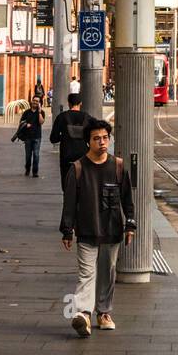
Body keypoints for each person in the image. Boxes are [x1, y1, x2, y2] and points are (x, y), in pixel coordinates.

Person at [60, 119, 135, 337]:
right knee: (86, 273)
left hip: (112, 230)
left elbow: (127, 200)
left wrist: (130, 225)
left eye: (105, 138)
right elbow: (69, 204)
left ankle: (103, 313)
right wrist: (67, 230)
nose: (102, 142)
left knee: (108, 273)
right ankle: (83, 313)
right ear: (88, 142)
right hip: (86, 230)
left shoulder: (118, 166)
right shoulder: (77, 168)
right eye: (96, 139)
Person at [50, 93, 92, 190]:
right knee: (83, 183)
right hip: (83, 154)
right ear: (80, 103)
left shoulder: (61, 117)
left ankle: (68, 202)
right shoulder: (87, 117)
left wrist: (64, 136)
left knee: (67, 183)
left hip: (67, 153)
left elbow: (53, 138)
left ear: (68, 103)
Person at [15, 95, 45, 177]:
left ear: (39, 103)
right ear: (31, 101)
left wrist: (39, 112)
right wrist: (26, 124)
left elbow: (41, 122)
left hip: (37, 137)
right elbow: (21, 122)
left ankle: (35, 172)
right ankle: (27, 169)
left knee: (36, 155)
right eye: (34, 100)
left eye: (37, 101)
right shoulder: (26, 112)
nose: (35, 102)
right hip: (27, 137)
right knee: (28, 156)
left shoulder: (41, 112)